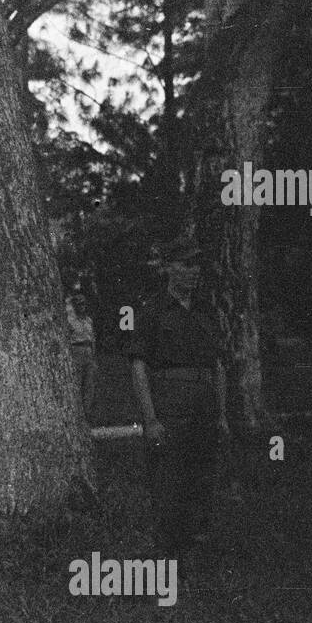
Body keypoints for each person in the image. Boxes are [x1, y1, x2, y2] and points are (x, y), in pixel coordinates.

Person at [125, 235, 229, 575]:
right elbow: (139, 365)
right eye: (186, 264)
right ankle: (169, 558)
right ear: (169, 268)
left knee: (202, 479)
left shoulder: (205, 310)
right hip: (171, 408)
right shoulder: (153, 311)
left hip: (205, 407)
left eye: (196, 264)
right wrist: (150, 418)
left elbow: (217, 365)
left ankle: (198, 553)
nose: (193, 271)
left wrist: (223, 414)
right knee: (170, 482)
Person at [67, 288, 99, 423]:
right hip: (77, 351)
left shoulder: (88, 320)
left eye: (84, 304)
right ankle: (77, 416)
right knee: (78, 383)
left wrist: (94, 357)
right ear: (75, 305)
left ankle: (87, 414)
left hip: (88, 351)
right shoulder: (70, 321)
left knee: (89, 385)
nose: (82, 306)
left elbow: (92, 339)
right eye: (79, 304)